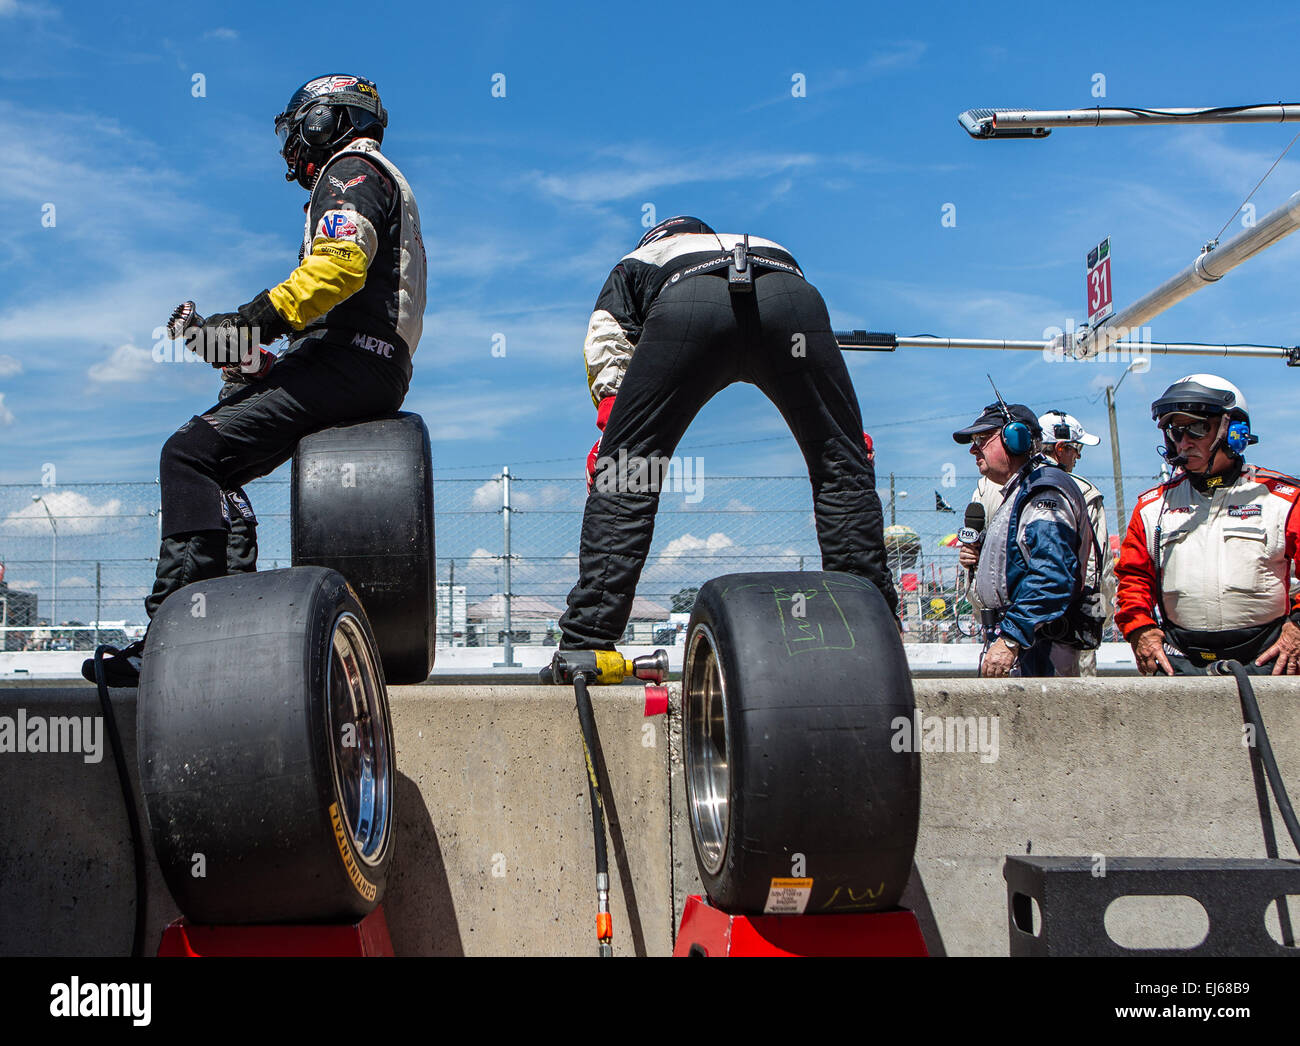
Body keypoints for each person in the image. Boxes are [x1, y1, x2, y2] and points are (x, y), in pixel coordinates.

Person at [85, 73, 426, 686]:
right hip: (369, 360)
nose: (292, 142)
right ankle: (219, 614)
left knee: (189, 454)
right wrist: (262, 363)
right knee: (222, 457)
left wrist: (249, 323)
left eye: (299, 126)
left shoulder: (349, 171)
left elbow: (340, 268)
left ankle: (174, 637)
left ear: (326, 121)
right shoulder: (373, 176)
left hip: (349, 356)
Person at [555, 216, 898, 656]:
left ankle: (587, 644)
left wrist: (613, 433)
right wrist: (845, 438)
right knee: (842, 470)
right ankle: (870, 633)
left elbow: (608, 336)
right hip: (789, 296)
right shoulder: (763, 241)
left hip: (689, 306)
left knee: (628, 477)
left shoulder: (639, 258)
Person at [1115, 374, 1300, 676]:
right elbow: (1133, 577)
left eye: (1198, 428)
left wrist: (1298, 629)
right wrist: (1140, 630)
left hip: (1268, 658)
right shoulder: (1151, 507)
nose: (1184, 442)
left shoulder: (1283, 498)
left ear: (1233, 431)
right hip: (1180, 660)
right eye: (1176, 431)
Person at [954, 401, 1100, 678]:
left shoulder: (1044, 491)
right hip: (1025, 643)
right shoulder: (1023, 490)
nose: (974, 449)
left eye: (982, 439)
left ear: (1016, 439)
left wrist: (1011, 637)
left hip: (1035, 647)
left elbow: (1052, 577)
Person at [1038, 410, 1115, 676]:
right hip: (1070, 625)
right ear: (1060, 449)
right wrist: (1100, 617)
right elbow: (1097, 567)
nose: (1078, 456)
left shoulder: (1009, 486)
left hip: (1016, 629)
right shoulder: (1084, 492)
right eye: (1076, 448)